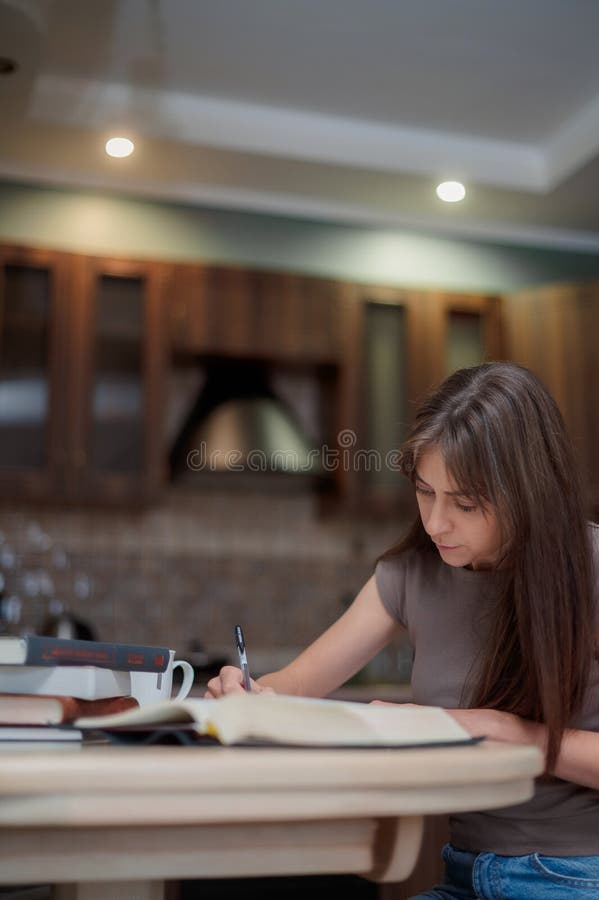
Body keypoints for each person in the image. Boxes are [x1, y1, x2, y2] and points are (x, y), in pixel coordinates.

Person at [206, 361, 599, 898]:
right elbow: (297, 684)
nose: (436, 523)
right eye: (424, 490)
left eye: (465, 503)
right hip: (462, 874)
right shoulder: (412, 574)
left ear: (527, 490)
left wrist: (510, 732)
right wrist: (251, 694)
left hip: (576, 875)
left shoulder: (591, 567)